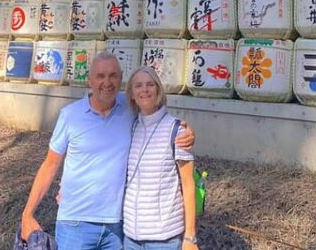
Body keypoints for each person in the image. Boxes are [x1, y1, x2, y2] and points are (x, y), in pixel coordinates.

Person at [20, 52, 194, 250]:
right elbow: (50, 165)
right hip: (75, 223)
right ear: (90, 80)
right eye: (100, 76)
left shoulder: (130, 107)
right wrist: (27, 214)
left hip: (117, 226)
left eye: (113, 75)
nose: (107, 82)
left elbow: (154, 114)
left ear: (121, 78)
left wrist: (186, 130)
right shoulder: (70, 116)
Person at [122, 67, 198, 250]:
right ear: (132, 94)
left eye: (150, 84)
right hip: (131, 237)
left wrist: (190, 236)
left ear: (158, 90)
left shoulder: (176, 129)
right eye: (138, 86)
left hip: (164, 239)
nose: (144, 90)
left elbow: (188, 185)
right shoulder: (130, 127)